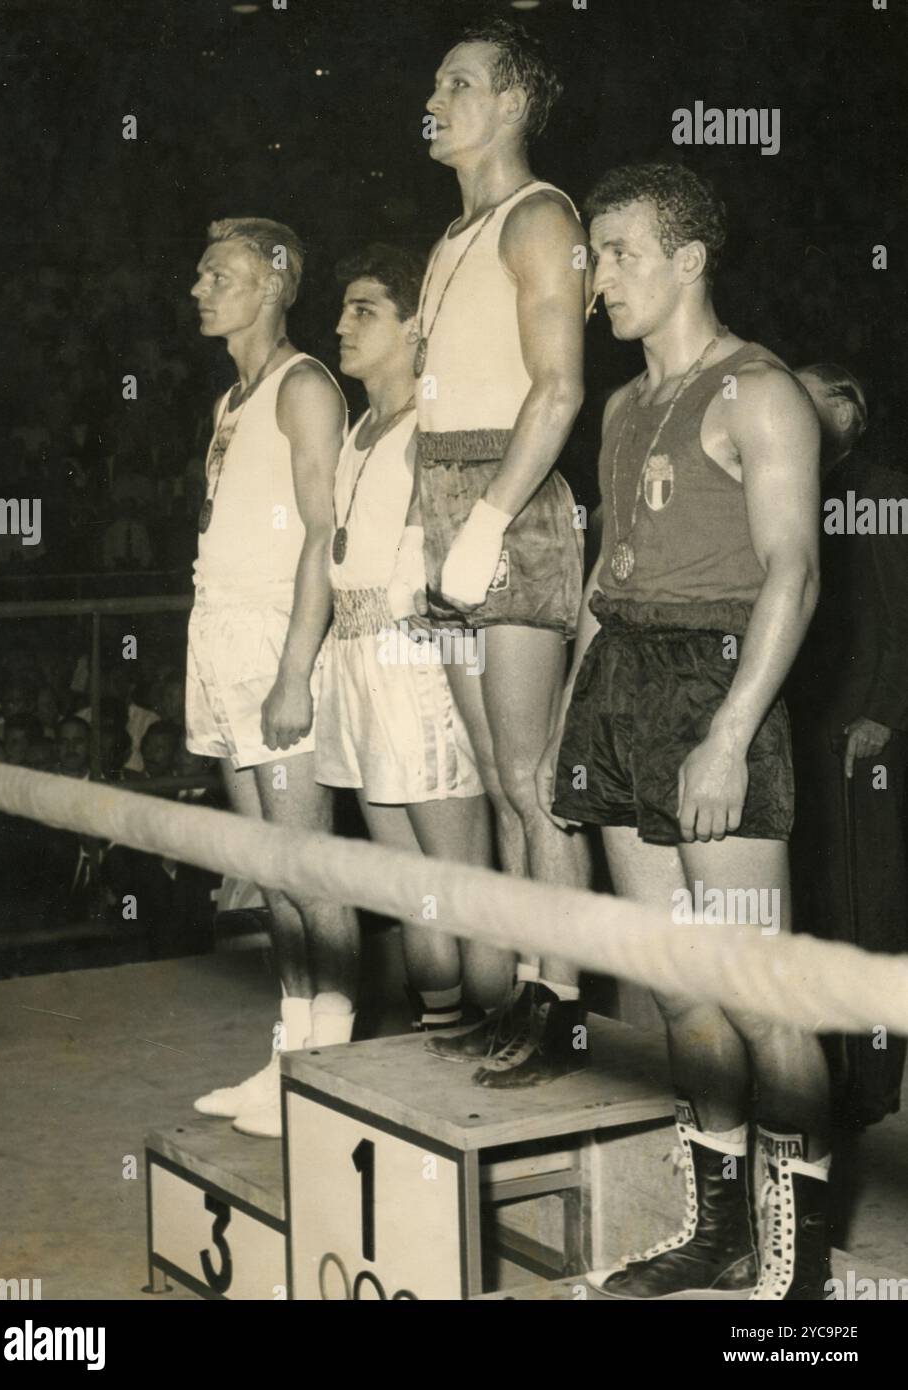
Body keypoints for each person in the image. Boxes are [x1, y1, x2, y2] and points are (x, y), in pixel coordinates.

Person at [539, 163, 830, 1300]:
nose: (597, 277)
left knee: (763, 994)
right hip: (621, 685)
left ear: (690, 259)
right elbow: (608, 579)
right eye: (594, 255)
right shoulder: (618, 407)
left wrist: (727, 735)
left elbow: (795, 576)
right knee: (678, 985)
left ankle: (796, 1272)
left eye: (620, 254)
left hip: (718, 688)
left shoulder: (759, 391)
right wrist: (568, 721)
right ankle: (717, 1228)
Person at [402, 17, 591, 1086]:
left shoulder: (540, 215)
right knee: (495, 777)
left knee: (533, 782)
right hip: (445, 494)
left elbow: (558, 386)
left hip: (509, 504)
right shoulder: (447, 241)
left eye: (459, 81)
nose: (435, 95)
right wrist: (423, 525)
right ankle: (526, 987)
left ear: (513, 104)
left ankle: (564, 1007)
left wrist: (484, 522)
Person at [186, 216, 357, 1138]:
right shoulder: (232, 400)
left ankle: (329, 1068)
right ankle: (292, 1053)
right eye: (202, 274)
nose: (200, 288)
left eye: (222, 274)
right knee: (266, 870)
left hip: (276, 641)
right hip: (218, 631)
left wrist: (294, 671)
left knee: (309, 868)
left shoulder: (304, 389)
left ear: (277, 281)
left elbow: (326, 536)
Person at [317, 243, 511, 1033]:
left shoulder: (438, 420)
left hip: (418, 658)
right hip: (353, 658)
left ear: (416, 328)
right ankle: (441, 1031)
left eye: (364, 311)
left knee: (460, 877)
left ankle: (506, 1036)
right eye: (342, 309)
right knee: (405, 883)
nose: (340, 326)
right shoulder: (360, 427)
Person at [791, 364, 908, 1128]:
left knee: (869, 906)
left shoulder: (882, 492)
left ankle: (872, 1088)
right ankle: (826, 1071)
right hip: (804, 727)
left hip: (863, 734)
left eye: (804, 395)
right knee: (818, 905)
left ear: (847, 408)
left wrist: (884, 715)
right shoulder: (797, 484)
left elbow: (904, 614)